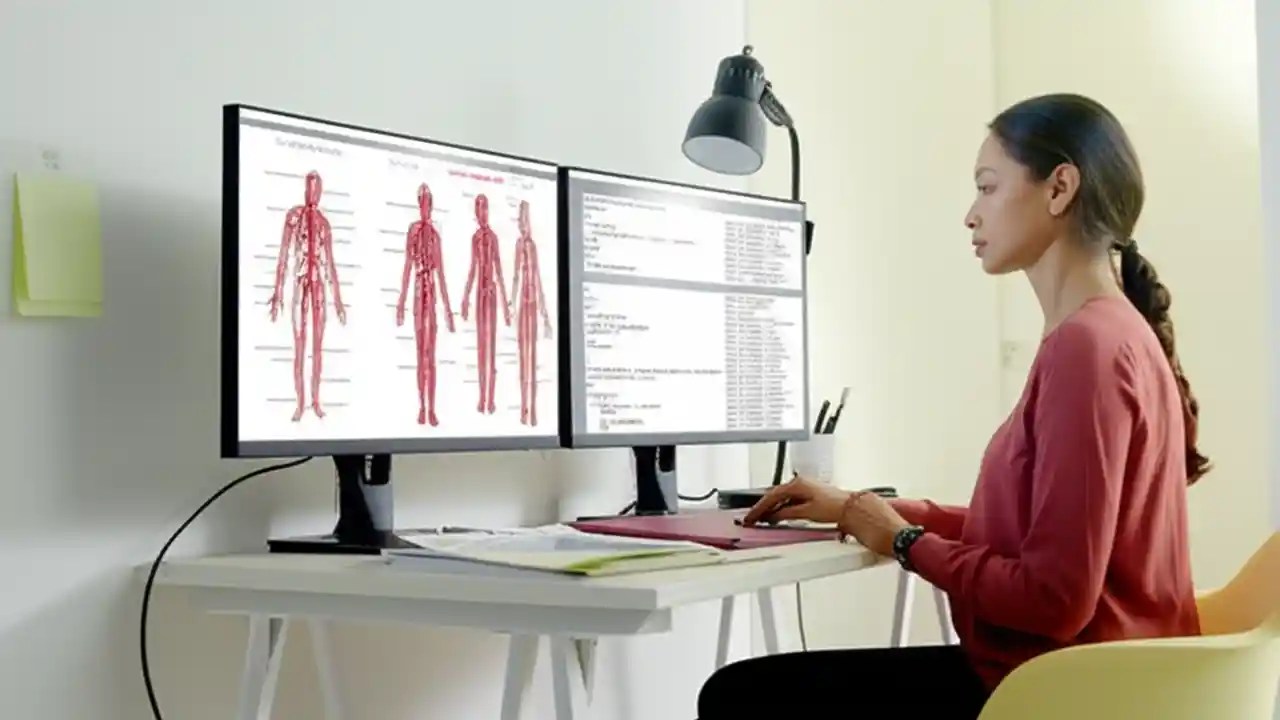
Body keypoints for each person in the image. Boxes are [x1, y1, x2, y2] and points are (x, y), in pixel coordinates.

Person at [696, 92, 1208, 719]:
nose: (971, 214)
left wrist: (904, 541)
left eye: (988, 188)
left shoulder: (1088, 349)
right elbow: (1033, 536)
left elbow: (1055, 598)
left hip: (1064, 693)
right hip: (1104, 680)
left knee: (742, 696)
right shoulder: (1115, 334)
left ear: (1060, 188)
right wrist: (868, 511)